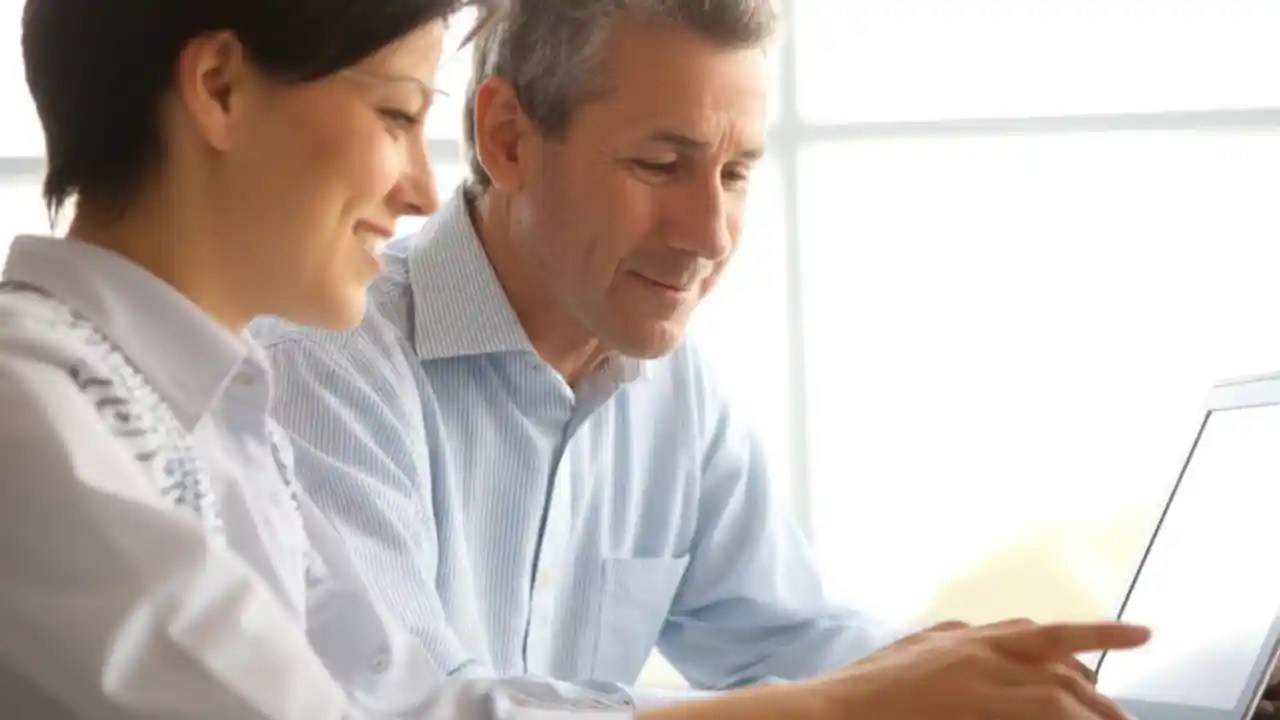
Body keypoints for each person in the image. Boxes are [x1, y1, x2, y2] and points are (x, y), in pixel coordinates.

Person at [0, 0, 1151, 718]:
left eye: (736, 172)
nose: (412, 185)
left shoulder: (216, 411)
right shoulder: (44, 413)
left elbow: (395, 698)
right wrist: (835, 713)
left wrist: (1049, 690)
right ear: (216, 88)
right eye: (399, 115)